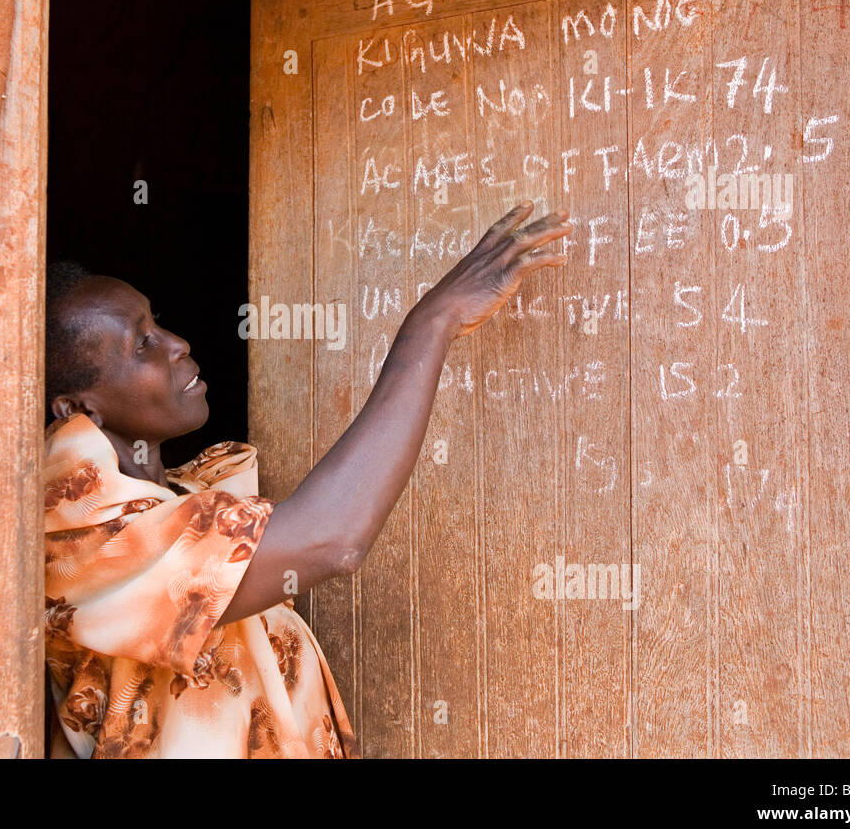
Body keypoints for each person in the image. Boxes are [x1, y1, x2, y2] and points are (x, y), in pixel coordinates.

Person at [43, 201, 572, 758]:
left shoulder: (189, 501)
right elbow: (333, 538)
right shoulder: (80, 535)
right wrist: (432, 323)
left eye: (156, 323)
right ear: (80, 408)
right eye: (142, 344)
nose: (177, 344)